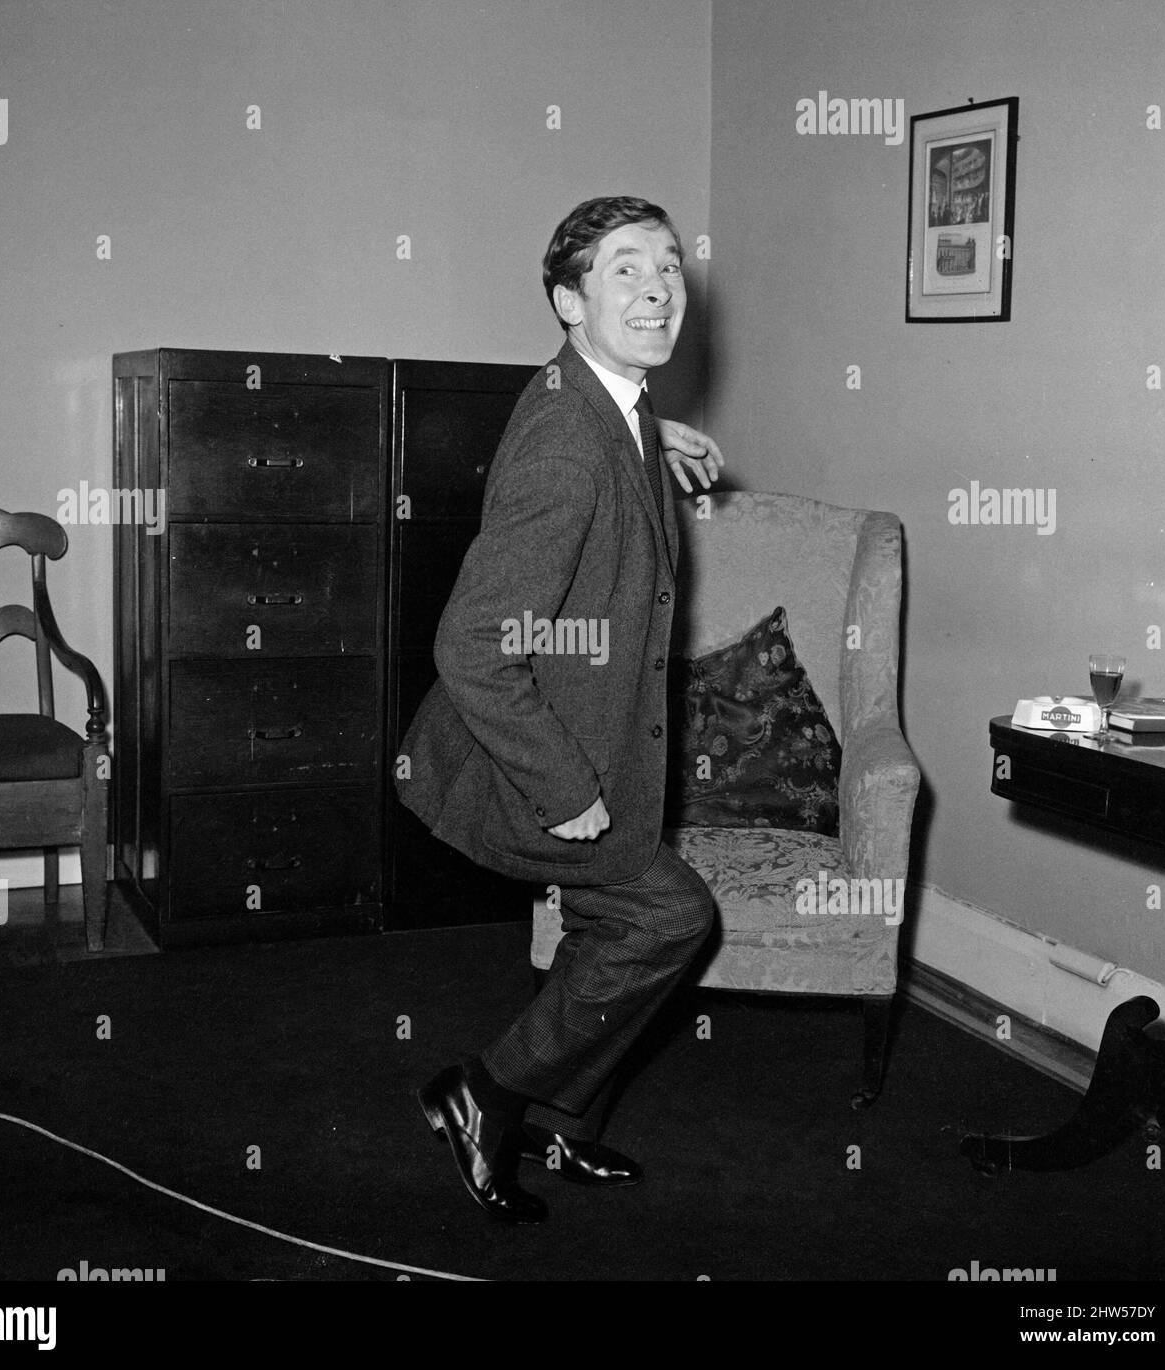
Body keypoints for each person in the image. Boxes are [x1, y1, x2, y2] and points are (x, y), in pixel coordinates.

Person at [397, 195, 721, 1224]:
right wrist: (565, 787)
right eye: (624, 269)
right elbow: (472, 645)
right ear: (567, 300)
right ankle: (484, 1093)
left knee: (608, 923)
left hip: (584, 735)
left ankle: (563, 1123)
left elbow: (593, 438)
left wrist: (650, 439)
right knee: (670, 914)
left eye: (667, 266)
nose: (658, 287)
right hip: (524, 764)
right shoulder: (567, 446)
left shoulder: (600, 407)